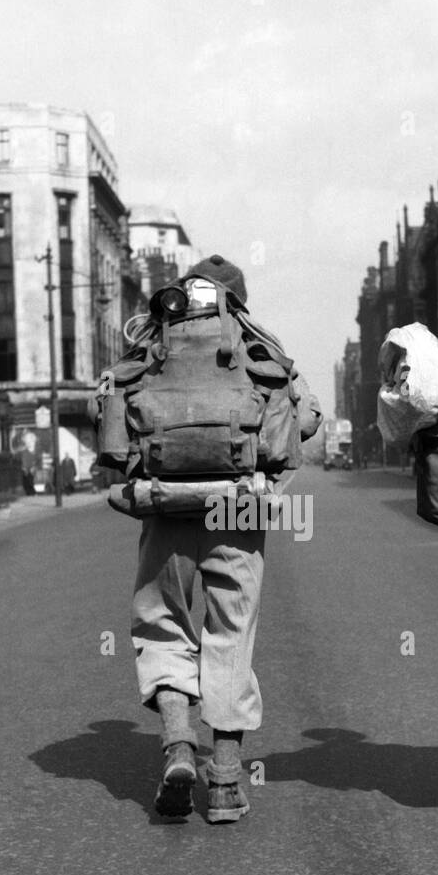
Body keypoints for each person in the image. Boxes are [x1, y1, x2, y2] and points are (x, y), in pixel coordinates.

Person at [124, 255, 321, 824]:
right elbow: (303, 420)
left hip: (164, 507)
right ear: (236, 299)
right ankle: (227, 783)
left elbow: (107, 408)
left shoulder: (152, 337)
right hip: (235, 509)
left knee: (163, 624)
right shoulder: (256, 342)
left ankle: (179, 746)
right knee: (230, 633)